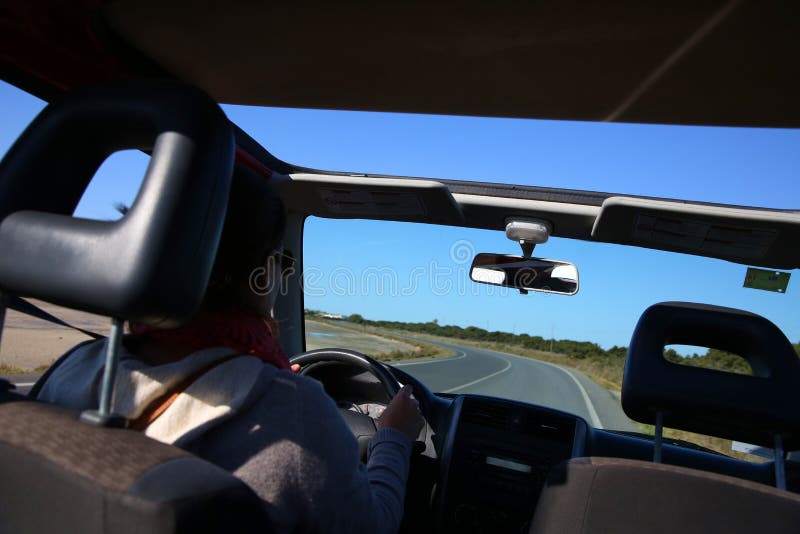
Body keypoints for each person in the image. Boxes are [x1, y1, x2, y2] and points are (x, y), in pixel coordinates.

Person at [36, 167, 424, 533]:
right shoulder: (291, 411)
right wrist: (394, 437)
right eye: (280, 260)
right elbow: (376, 524)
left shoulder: (74, 367)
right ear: (259, 272)